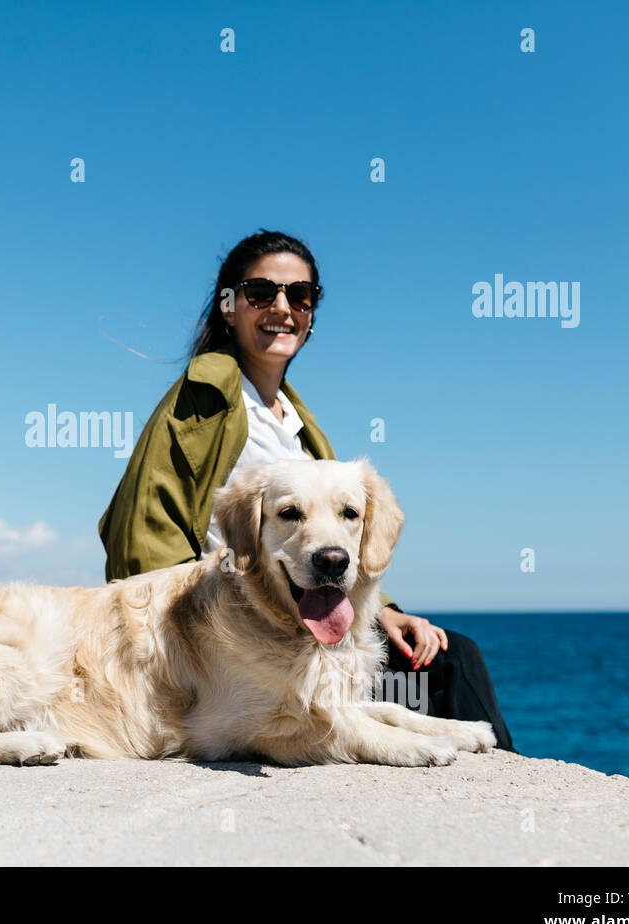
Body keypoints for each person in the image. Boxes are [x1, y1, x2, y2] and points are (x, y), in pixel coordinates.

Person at [98, 228, 515, 751]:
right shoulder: (200, 406)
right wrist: (182, 657)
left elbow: (324, 539)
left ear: (313, 312)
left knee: (450, 656)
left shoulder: (297, 424)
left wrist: (383, 609)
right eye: (260, 292)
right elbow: (141, 548)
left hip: (295, 622)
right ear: (228, 306)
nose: (282, 307)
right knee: (453, 670)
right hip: (230, 644)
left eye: (300, 296)